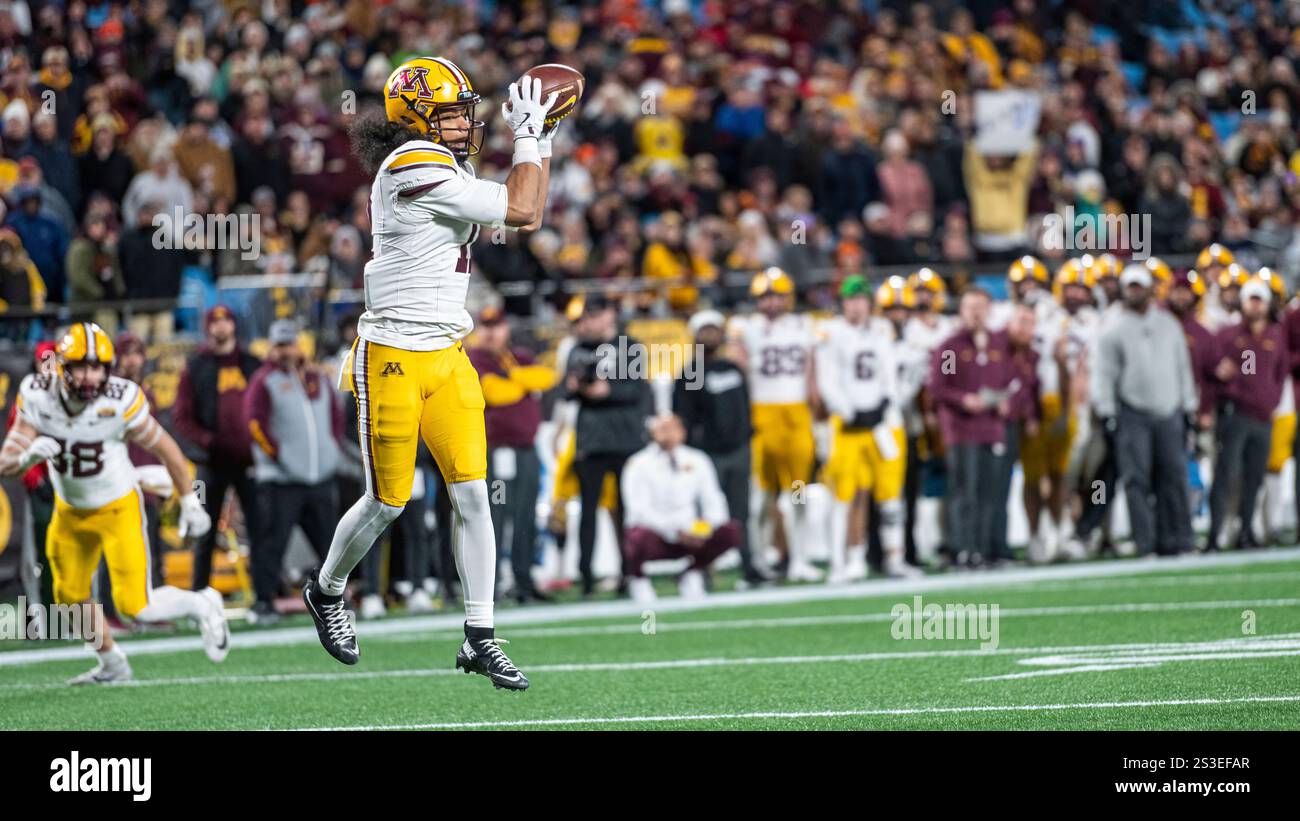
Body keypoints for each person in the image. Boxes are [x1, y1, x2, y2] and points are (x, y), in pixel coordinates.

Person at [304, 60, 560, 690]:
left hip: (447, 355)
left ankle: (481, 635)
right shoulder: (412, 165)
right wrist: (532, 136)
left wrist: (539, 140)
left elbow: (523, 210)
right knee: (388, 501)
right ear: (416, 117)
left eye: (463, 111)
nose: (464, 123)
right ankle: (328, 588)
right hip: (391, 352)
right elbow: (524, 209)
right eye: (450, 112)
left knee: (472, 493)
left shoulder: (446, 166)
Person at [0, 322, 225, 684]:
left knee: (136, 606)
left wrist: (189, 500)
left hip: (118, 507)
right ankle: (112, 663)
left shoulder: (119, 399)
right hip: (70, 511)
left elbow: (166, 449)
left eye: (97, 368)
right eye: (80, 367)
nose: (90, 377)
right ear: (61, 366)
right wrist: (26, 459)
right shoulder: (38, 394)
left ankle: (201, 603)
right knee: (69, 596)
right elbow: (7, 458)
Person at [817, 275, 917, 580]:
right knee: (847, 495)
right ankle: (846, 559)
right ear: (842, 303)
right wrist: (849, 411)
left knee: (889, 494)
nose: (856, 305)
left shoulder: (881, 330)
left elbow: (890, 373)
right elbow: (827, 379)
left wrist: (887, 403)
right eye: (851, 299)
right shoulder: (830, 333)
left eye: (861, 299)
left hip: (884, 422)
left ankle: (894, 556)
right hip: (848, 425)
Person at [1093, 265, 1198, 557]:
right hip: (1132, 413)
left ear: (1150, 289)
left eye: (1139, 286)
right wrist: (1108, 412)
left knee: (1174, 477)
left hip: (1170, 410)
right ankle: (1146, 542)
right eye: (1130, 287)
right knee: (1136, 480)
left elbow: (1182, 368)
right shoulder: (1112, 329)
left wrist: (1189, 406)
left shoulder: (1168, 324)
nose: (1135, 292)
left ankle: (1179, 539)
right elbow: (1104, 375)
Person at [244, 319, 342, 618]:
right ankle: (263, 600)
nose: (285, 350)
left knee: (332, 543)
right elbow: (254, 423)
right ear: (272, 348)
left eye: (289, 343)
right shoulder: (265, 380)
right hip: (282, 479)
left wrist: (331, 450)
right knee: (272, 543)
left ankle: (336, 599)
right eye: (280, 345)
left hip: (320, 477)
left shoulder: (317, 377)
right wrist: (279, 455)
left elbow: (335, 418)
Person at [728, 267, 820, 580]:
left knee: (798, 493)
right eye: (766, 297)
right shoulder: (746, 328)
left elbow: (811, 371)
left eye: (777, 296)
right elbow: (736, 360)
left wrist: (815, 406)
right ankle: (760, 559)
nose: (772, 303)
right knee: (761, 498)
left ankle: (800, 558)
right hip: (761, 416)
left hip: (795, 416)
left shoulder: (803, 325)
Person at [466, 306, 557, 603]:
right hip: (494, 452)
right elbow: (494, 393)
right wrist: (521, 382)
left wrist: (514, 375)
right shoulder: (475, 358)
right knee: (495, 517)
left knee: (526, 516)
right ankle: (489, 589)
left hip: (526, 451)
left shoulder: (519, 356)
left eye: (497, 326)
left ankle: (524, 580)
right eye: (486, 326)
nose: (492, 332)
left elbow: (546, 377)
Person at [171, 305, 263, 598]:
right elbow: (182, 418)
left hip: (250, 460)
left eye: (225, 321)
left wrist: (261, 444)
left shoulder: (252, 364)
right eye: (215, 322)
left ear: (234, 326)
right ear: (208, 328)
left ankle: (266, 595)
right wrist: (207, 442)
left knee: (261, 529)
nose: (220, 328)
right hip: (211, 462)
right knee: (204, 529)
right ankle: (199, 595)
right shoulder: (196, 366)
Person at [563, 294, 651, 596]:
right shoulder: (577, 348)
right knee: (587, 511)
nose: (592, 321)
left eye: (597, 314)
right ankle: (586, 576)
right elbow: (565, 392)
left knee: (629, 510)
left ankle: (631, 572)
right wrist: (575, 389)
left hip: (625, 440)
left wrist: (606, 391)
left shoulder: (630, 345)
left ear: (611, 315)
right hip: (591, 441)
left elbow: (638, 389)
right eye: (589, 315)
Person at [672, 308, 766, 586]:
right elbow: (683, 418)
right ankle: (702, 569)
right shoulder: (692, 372)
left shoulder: (733, 368)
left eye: (714, 329)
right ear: (694, 336)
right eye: (704, 331)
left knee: (741, 512)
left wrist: (745, 437)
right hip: (706, 455)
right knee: (704, 514)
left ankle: (749, 564)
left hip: (738, 450)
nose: (710, 335)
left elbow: (745, 407)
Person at [927, 287, 1015, 567]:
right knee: (965, 491)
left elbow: (1010, 380)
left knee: (990, 491)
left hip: (992, 428)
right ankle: (962, 548)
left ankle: (986, 547)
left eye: (981, 306)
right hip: (962, 429)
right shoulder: (951, 347)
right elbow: (939, 388)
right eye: (970, 307)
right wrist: (964, 399)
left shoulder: (998, 345)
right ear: (961, 311)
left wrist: (1004, 402)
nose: (976, 313)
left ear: (990, 310)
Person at [621, 413, 740, 604]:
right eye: (662, 429)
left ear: (683, 432)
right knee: (635, 536)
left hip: (691, 531)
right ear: (652, 433)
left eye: (673, 428)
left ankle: (691, 572)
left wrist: (704, 528)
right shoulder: (638, 464)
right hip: (658, 533)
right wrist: (674, 531)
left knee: (730, 531)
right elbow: (638, 510)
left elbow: (713, 500)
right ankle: (639, 580)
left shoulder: (698, 459)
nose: (669, 434)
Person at [1206, 277, 1287, 551]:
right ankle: (1214, 534)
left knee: (1254, 478)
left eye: (1258, 300)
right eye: (1250, 300)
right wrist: (1225, 381)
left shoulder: (1275, 336)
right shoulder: (1228, 334)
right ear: (1243, 303)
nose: (1254, 305)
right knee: (1226, 475)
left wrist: (1272, 399)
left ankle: (1246, 532)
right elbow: (1213, 366)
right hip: (1235, 415)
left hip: (1263, 418)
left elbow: (1281, 371)